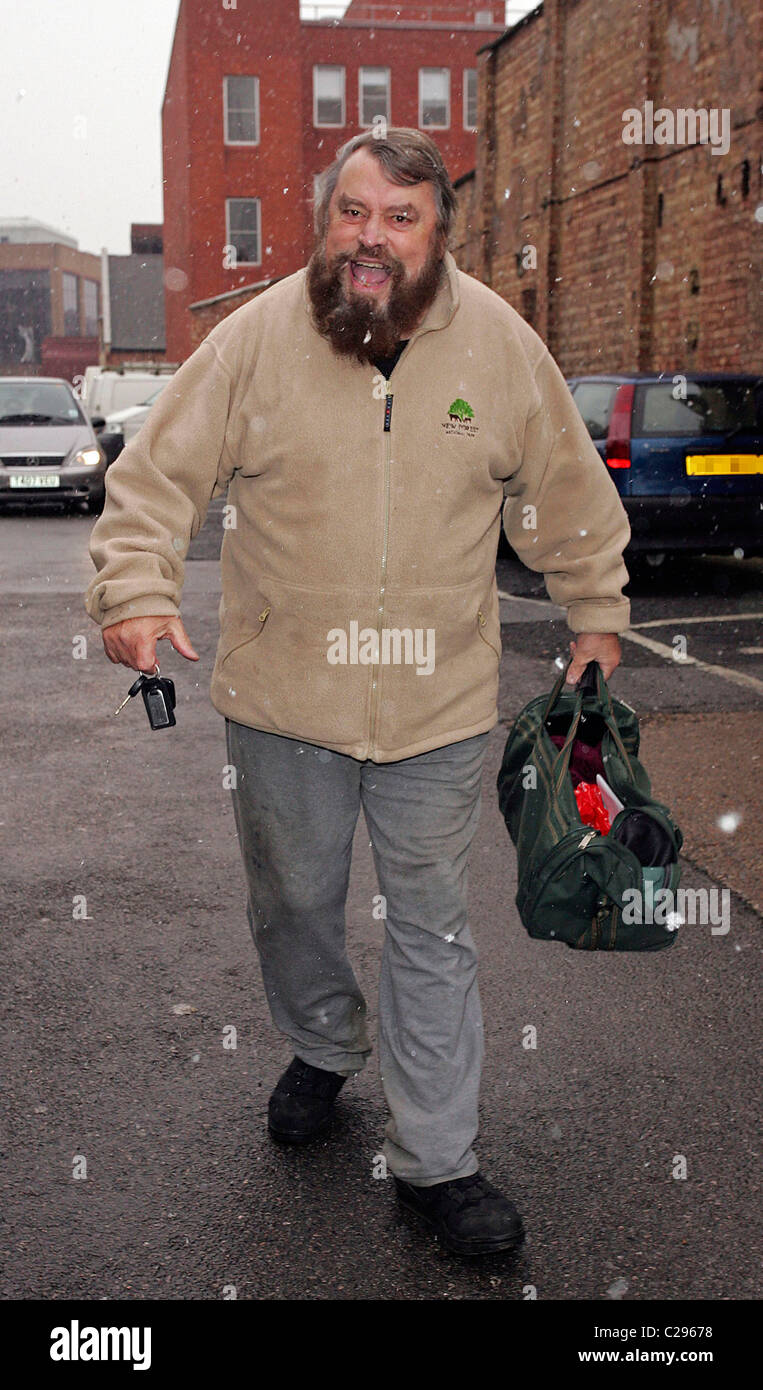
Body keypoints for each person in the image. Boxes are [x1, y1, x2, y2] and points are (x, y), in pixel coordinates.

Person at [85, 127, 630, 1258]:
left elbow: (565, 491)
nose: (368, 240)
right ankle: (324, 1043)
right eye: (352, 212)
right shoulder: (252, 344)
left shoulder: (499, 347)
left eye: (398, 219)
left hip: (436, 707)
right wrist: (132, 589)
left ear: (436, 235)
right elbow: (154, 478)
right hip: (284, 704)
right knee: (292, 903)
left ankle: (438, 1162)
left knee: (432, 929)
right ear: (325, 218)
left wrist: (594, 613)